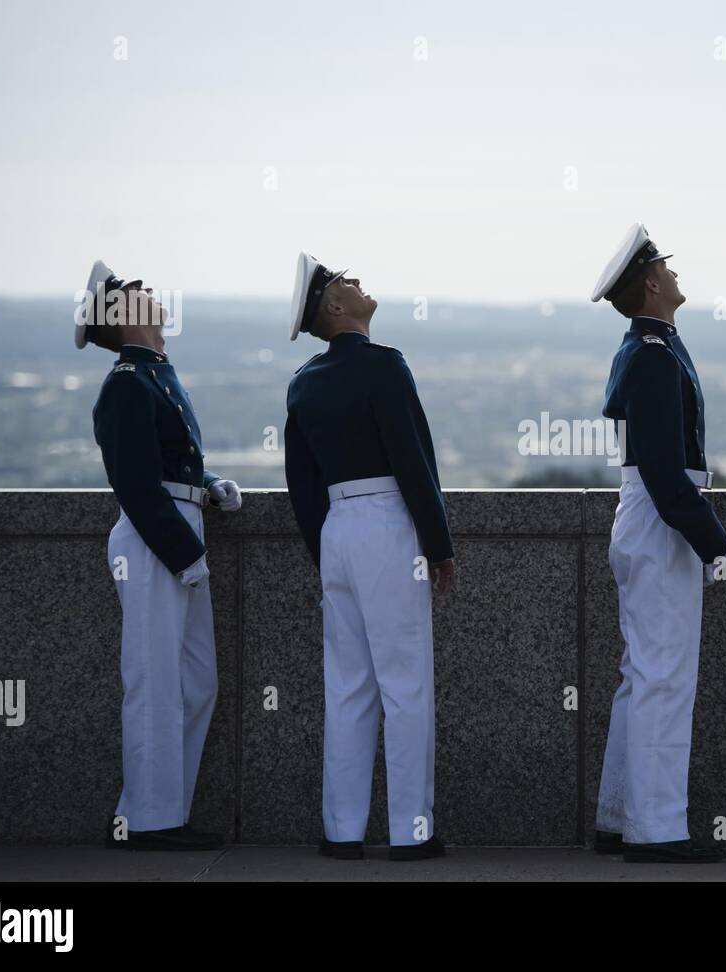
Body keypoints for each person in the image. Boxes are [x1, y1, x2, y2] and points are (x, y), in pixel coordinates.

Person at [284, 252, 455, 862]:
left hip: (337, 530)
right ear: (334, 307)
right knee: (405, 683)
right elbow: (414, 459)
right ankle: (412, 831)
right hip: (387, 523)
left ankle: (342, 831)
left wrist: (325, 554)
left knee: (349, 686)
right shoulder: (385, 366)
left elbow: (302, 488)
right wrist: (437, 544)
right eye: (346, 282)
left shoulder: (303, 381)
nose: (359, 284)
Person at [77, 259, 242, 852]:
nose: (150, 292)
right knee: (154, 683)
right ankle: (147, 821)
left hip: (177, 530)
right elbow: (136, 484)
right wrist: (181, 551)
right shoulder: (127, 381)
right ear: (122, 317)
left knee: (197, 683)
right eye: (136, 292)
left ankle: (164, 811)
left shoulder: (152, 374)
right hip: (156, 541)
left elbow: (165, 466)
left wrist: (208, 485)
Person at [590, 224, 726, 864]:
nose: (676, 274)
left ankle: (621, 815)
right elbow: (662, 470)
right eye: (666, 267)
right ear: (651, 283)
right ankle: (657, 830)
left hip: (652, 518)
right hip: (662, 520)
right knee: (664, 678)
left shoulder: (651, 346)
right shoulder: (651, 353)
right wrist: (711, 538)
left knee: (642, 675)